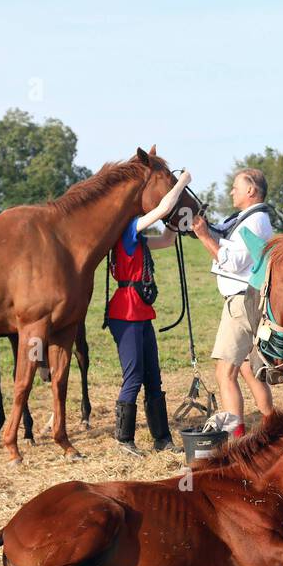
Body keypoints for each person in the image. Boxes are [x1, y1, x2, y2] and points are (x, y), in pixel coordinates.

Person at [104, 169, 191, 456]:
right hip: (125, 310)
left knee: (153, 376)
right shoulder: (127, 231)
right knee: (135, 376)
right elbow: (163, 207)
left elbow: (166, 240)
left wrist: (178, 221)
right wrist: (182, 183)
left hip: (140, 311)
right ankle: (123, 440)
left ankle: (162, 439)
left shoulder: (138, 239)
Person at [191, 167, 274, 437]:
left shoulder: (252, 222)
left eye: (236, 187)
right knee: (249, 369)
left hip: (240, 301)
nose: (231, 191)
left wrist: (204, 237)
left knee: (225, 373)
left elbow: (234, 261)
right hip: (250, 299)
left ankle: (235, 440)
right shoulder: (255, 218)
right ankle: (273, 427)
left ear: (251, 190)